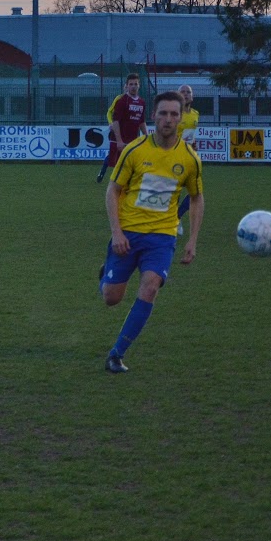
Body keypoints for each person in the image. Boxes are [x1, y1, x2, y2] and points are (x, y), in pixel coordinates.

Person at [99, 91, 204, 373]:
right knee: (111, 298)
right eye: (163, 113)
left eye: (174, 114)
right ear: (153, 117)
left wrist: (192, 240)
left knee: (150, 287)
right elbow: (113, 190)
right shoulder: (135, 150)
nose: (168, 119)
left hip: (162, 237)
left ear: (181, 118)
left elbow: (196, 197)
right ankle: (107, 267)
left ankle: (116, 354)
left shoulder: (190, 159)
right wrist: (117, 232)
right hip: (128, 233)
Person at [96, 73, 149, 183]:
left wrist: (147, 136)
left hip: (133, 139)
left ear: (139, 86)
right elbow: (115, 120)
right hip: (119, 139)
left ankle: (127, 184)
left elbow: (142, 121)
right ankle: (108, 177)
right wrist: (119, 140)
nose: (133, 86)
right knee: (115, 163)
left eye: (136, 84)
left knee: (130, 162)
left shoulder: (142, 102)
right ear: (127, 86)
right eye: (131, 84)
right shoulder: (121, 101)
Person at [176, 84, 200, 230]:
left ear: (192, 96)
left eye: (188, 92)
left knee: (195, 191)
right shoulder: (174, 114)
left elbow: (191, 134)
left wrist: (194, 144)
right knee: (175, 191)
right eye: (182, 92)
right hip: (174, 155)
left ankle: (177, 216)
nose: (185, 94)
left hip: (189, 155)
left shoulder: (195, 114)